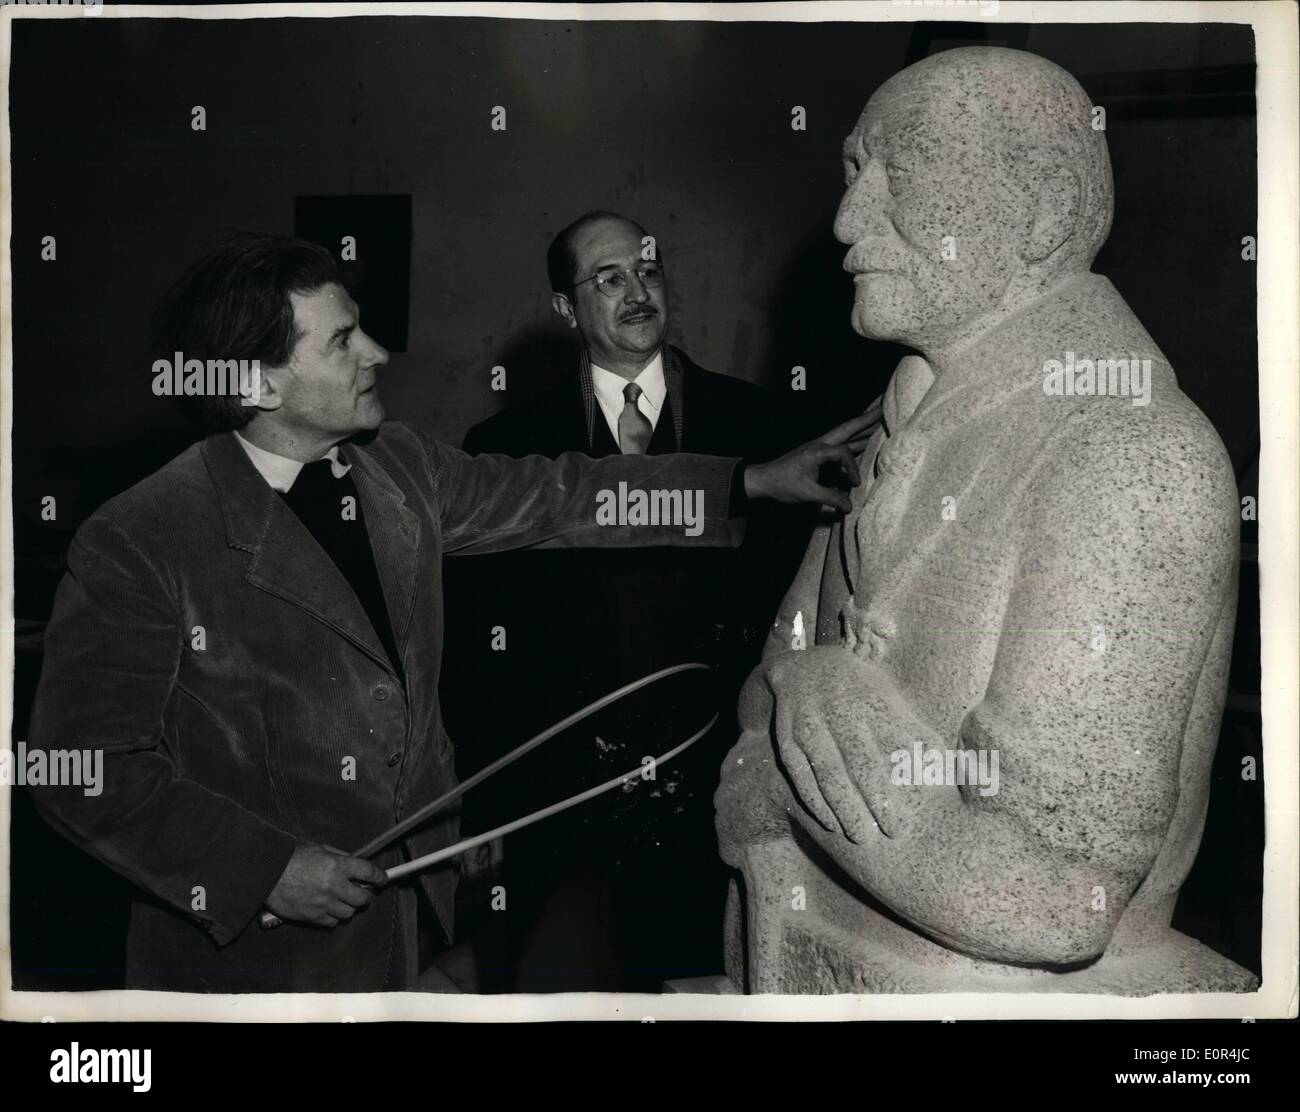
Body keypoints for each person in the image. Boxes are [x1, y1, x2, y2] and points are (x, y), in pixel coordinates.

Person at [27, 234, 872, 993]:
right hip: (250, 960)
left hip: (403, 926)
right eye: (343, 340)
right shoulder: (141, 537)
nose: (378, 352)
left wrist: (750, 483)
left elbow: (567, 498)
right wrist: (266, 868)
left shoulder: (396, 465)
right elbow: (79, 768)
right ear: (255, 382)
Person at [443, 211, 812, 991]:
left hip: (719, 788)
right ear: (565, 309)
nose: (637, 291)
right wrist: (482, 802)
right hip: (563, 805)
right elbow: (479, 646)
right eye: (608, 279)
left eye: (648, 270)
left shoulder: (769, 429)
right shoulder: (506, 447)